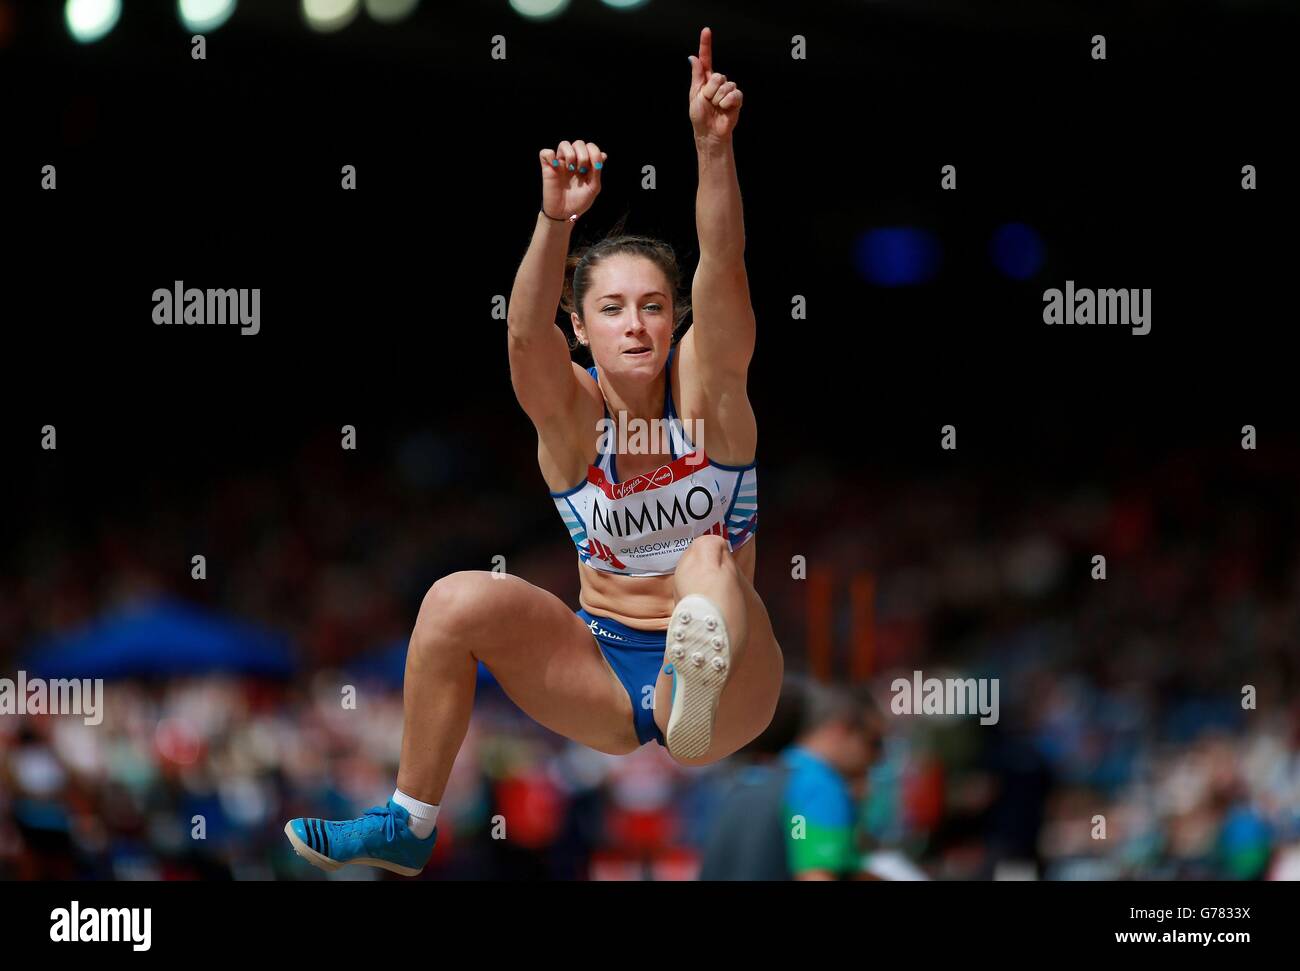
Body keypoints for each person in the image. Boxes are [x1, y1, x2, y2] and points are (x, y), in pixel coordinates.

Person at [284, 26, 783, 877]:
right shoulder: (572, 419)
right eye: (615, 308)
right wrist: (556, 218)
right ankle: (408, 821)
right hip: (601, 667)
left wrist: (711, 147)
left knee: (707, 557)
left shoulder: (710, 394)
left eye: (655, 306)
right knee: (454, 599)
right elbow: (521, 337)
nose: (637, 324)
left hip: (730, 676)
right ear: (580, 328)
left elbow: (724, 264)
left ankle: (687, 683)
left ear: (676, 321)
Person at [698, 678, 883, 880]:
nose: (878, 757)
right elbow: (816, 874)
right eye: (875, 742)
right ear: (840, 729)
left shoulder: (754, 779)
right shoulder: (820, 786)